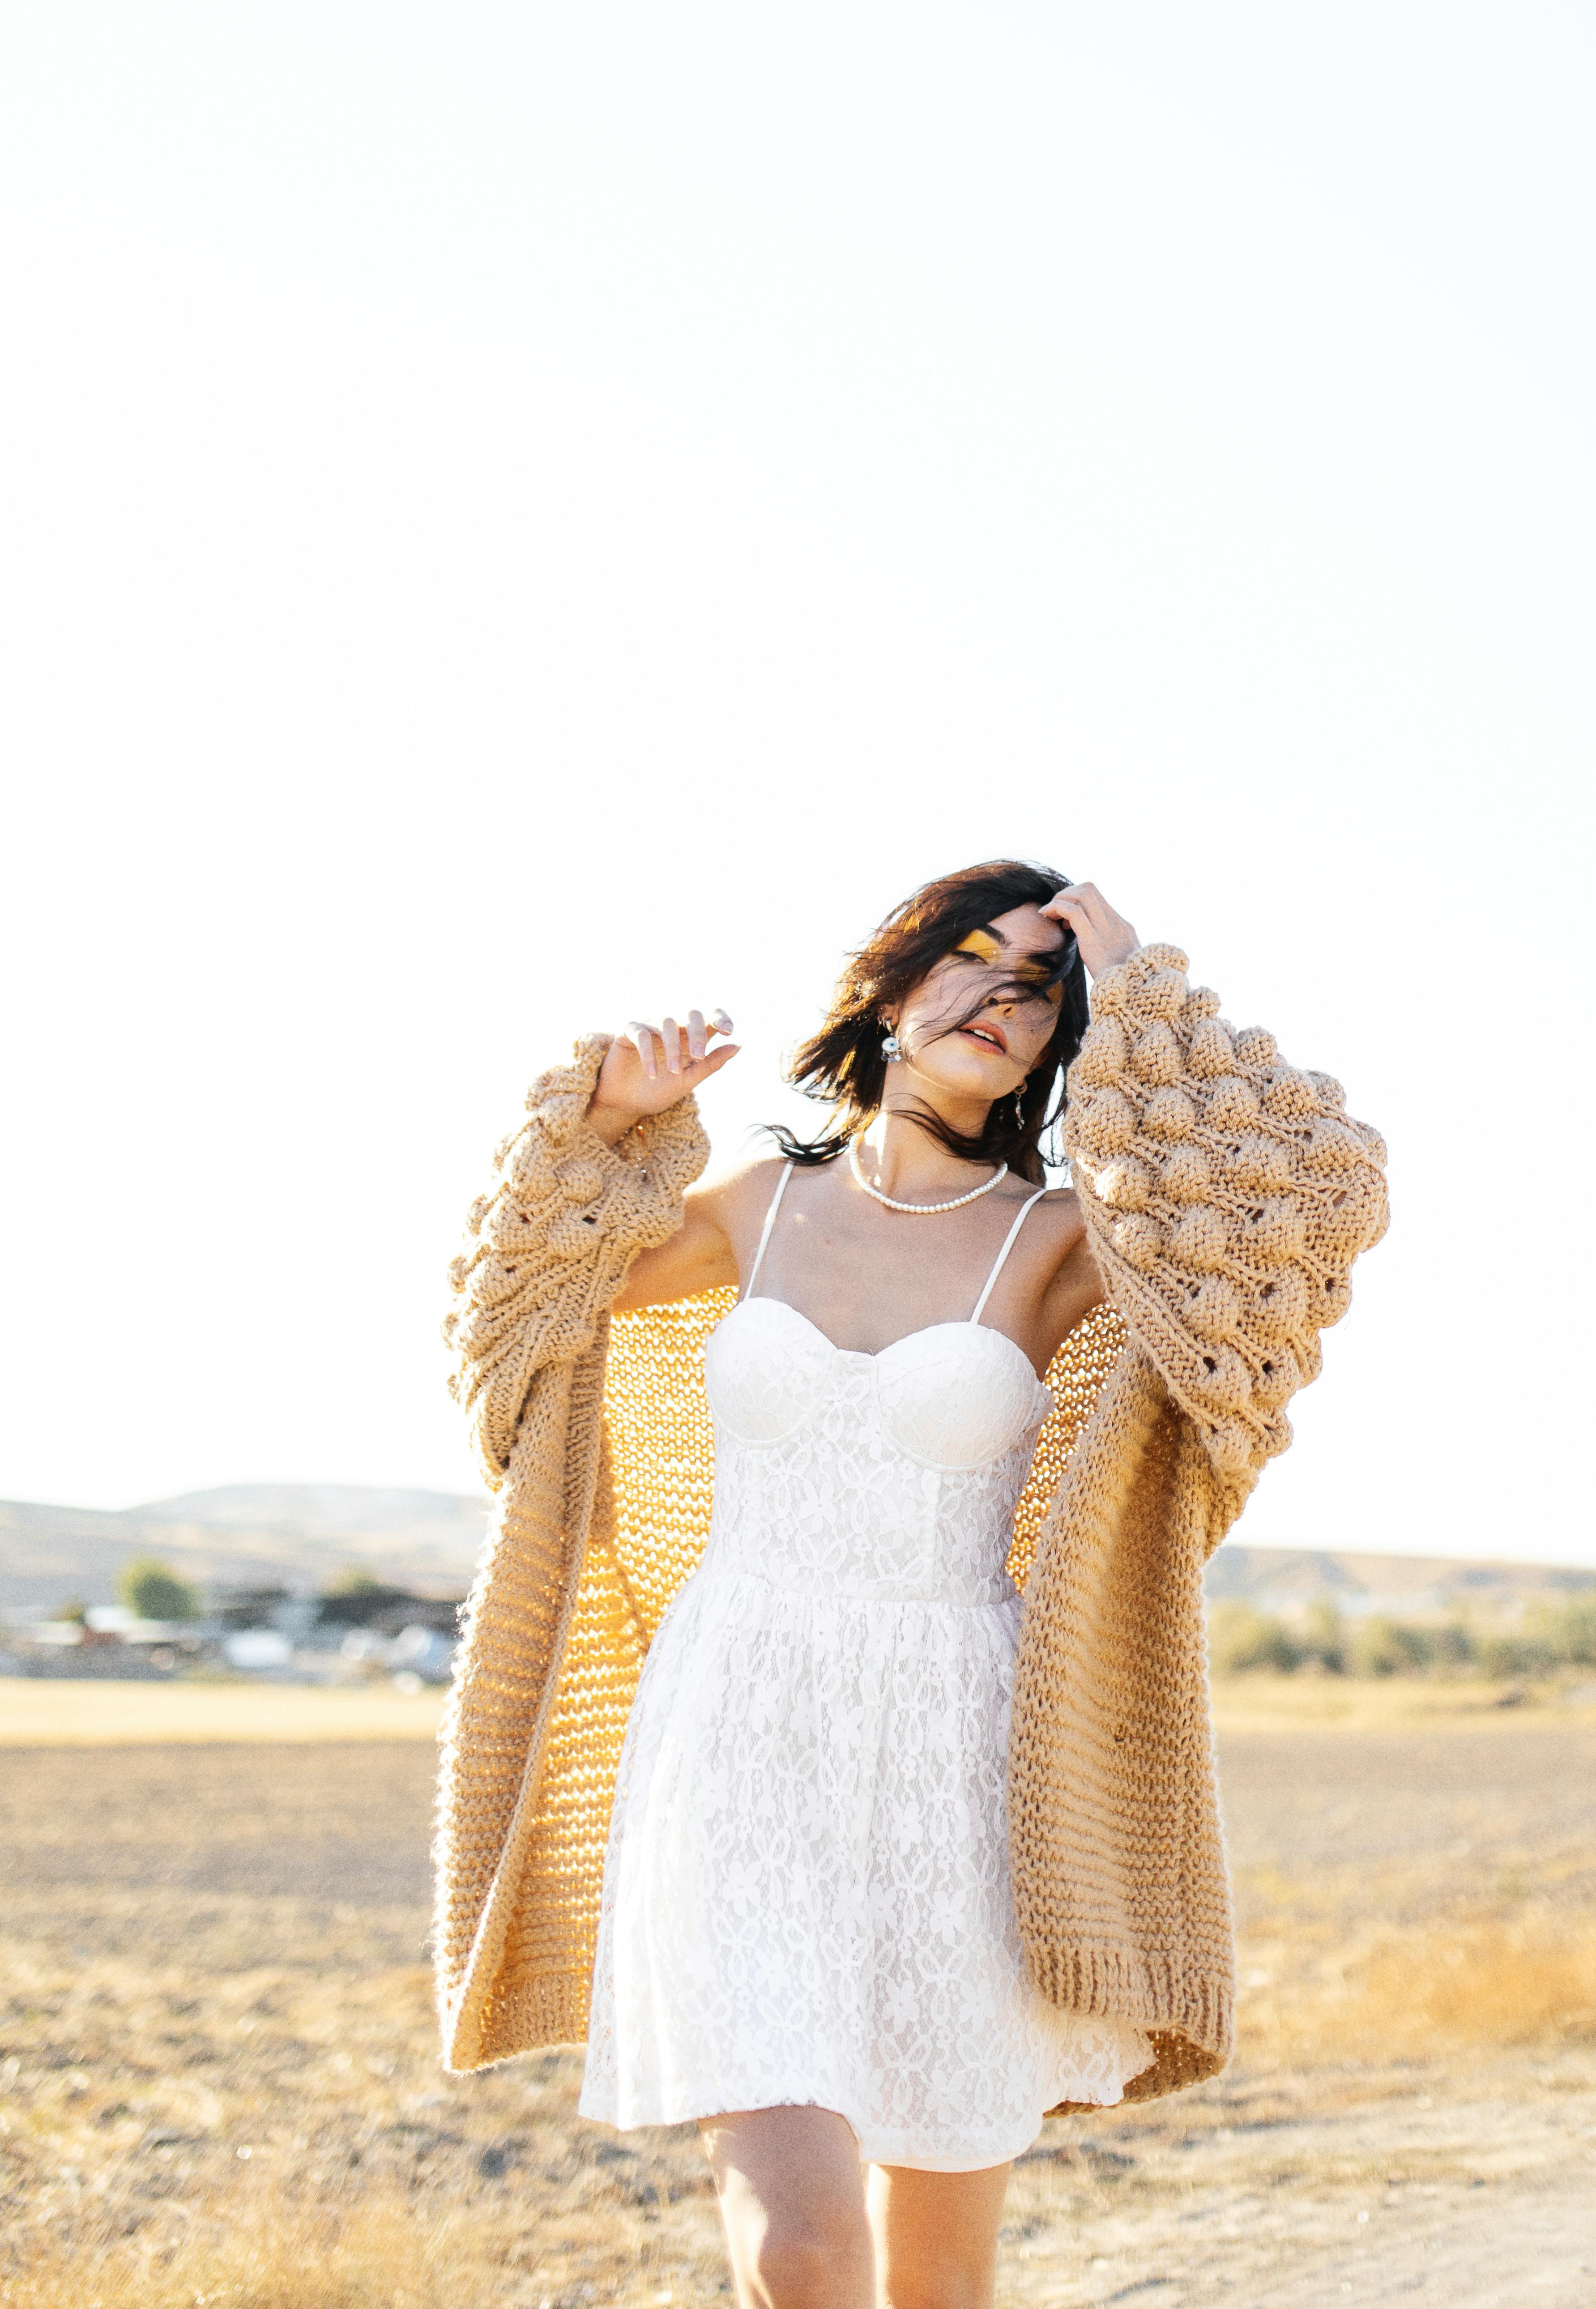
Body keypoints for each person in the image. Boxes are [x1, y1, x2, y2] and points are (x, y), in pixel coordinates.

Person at [437, 859, 1387, 2309]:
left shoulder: (1071, 1243)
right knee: (805, 2255)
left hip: (960, 1752)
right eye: (970, 958)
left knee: (938, 2286)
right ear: (888, 987)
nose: (1002, 1000)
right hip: (737, 1731)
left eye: (1040, 987)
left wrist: (1137, 977)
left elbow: (1312, 1198)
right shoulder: (749, 1208)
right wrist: (601, 1131)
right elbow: (516, 1328)